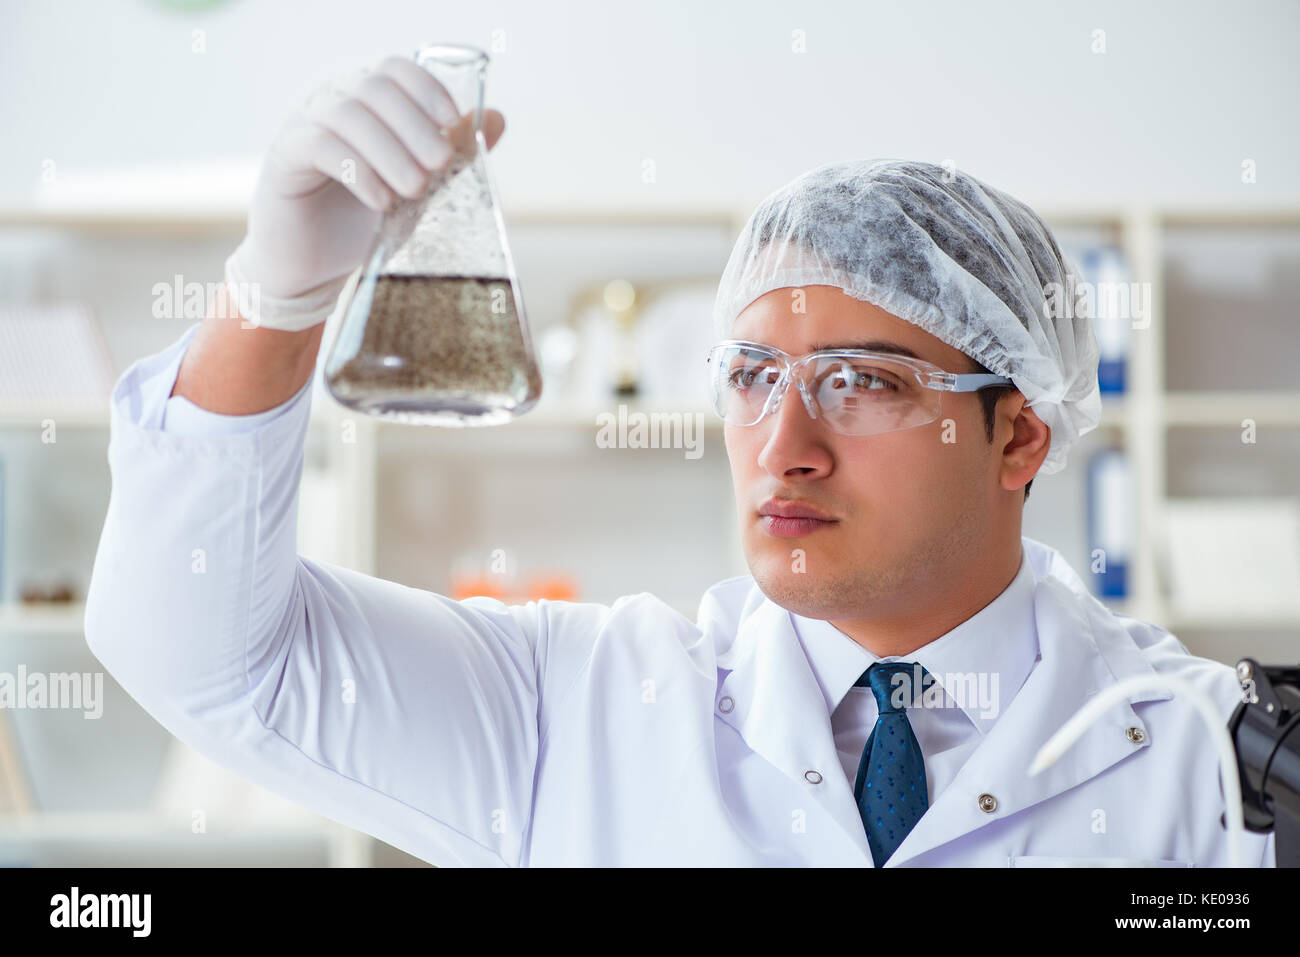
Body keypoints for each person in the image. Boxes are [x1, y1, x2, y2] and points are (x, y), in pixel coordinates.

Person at [84, 52, 1274, 867]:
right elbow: (201, 656)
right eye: (753, 376)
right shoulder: (574, 704)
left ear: (1017, 432)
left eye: (860, 383)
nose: (785, 448)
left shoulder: (1207, 762)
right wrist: (275, 299)